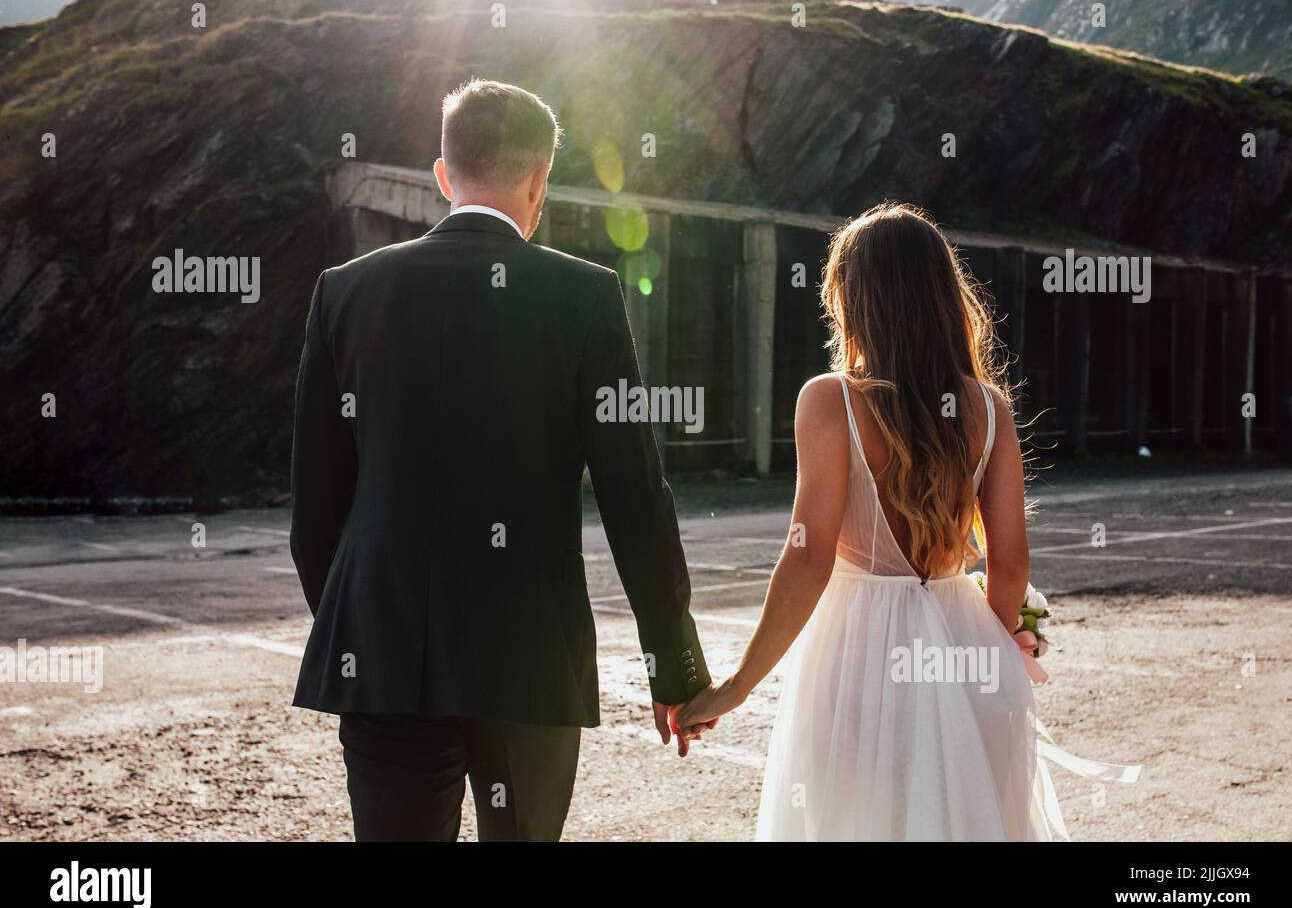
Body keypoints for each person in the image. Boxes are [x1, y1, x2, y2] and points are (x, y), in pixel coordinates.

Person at [289, 79, 710, 841]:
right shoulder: (585, 296)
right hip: (531, 663)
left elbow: (315, 509)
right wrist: (672, 664)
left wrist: (364, 632)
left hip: (386, 658)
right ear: (539, 180)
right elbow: (635, 499)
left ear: (442, 176)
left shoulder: (344, 293)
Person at [676, 202, 1052, 840]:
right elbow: (1010, 566)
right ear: (943, 295)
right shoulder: (989, 407)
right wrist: (990, 654)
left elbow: (808, 559)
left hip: (856, 652)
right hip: (963, 644)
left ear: (853, 298)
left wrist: (735, 687)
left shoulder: (830, 401)